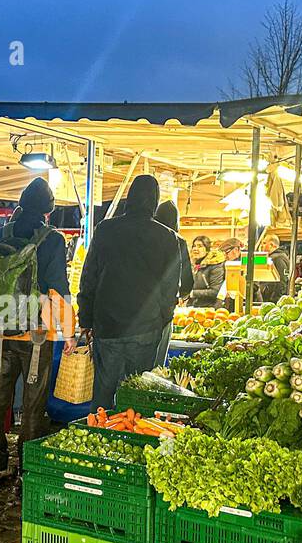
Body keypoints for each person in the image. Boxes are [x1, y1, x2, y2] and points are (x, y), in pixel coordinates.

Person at [0, 176, 72, 482]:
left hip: (2, 333)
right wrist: (68, 331)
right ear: (48, 209)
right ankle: (27, 471)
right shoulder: (51, 240)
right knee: (33, 405)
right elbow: (58, 289)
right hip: (36, 335)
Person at [78, 174, 183, 411]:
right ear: (154, 201)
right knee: (136, 394)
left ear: (129, 197)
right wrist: (162, 318)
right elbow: (171, 288)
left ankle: (100, 437)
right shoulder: (166, 237)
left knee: (103, 393)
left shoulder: (106, 229)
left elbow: (89, 278)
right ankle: (132, 441)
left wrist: (85, 318)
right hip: (145, 329)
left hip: (107, 326)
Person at [153, 200, 193, 367]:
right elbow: (187, 282)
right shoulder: (178, 241)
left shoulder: (145, 236)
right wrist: (182, 295)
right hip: (164, 311)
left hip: (137, 310)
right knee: (156, 364)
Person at [187, 235, 226, 308]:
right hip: (193, 307)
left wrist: (192, 293)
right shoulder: (192, 264)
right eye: (194, 246)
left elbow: (215, 291)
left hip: (210, 308)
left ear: (207, 249)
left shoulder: (215, 265)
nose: (195, 249)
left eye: (200, 246)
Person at [257, 231, 292, 304]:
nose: (261, 246)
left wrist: (275, 300)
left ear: (271, 245)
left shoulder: (278, 258)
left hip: (272, 301)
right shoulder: (278, 257)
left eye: (264, 243)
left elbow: (282, 281)